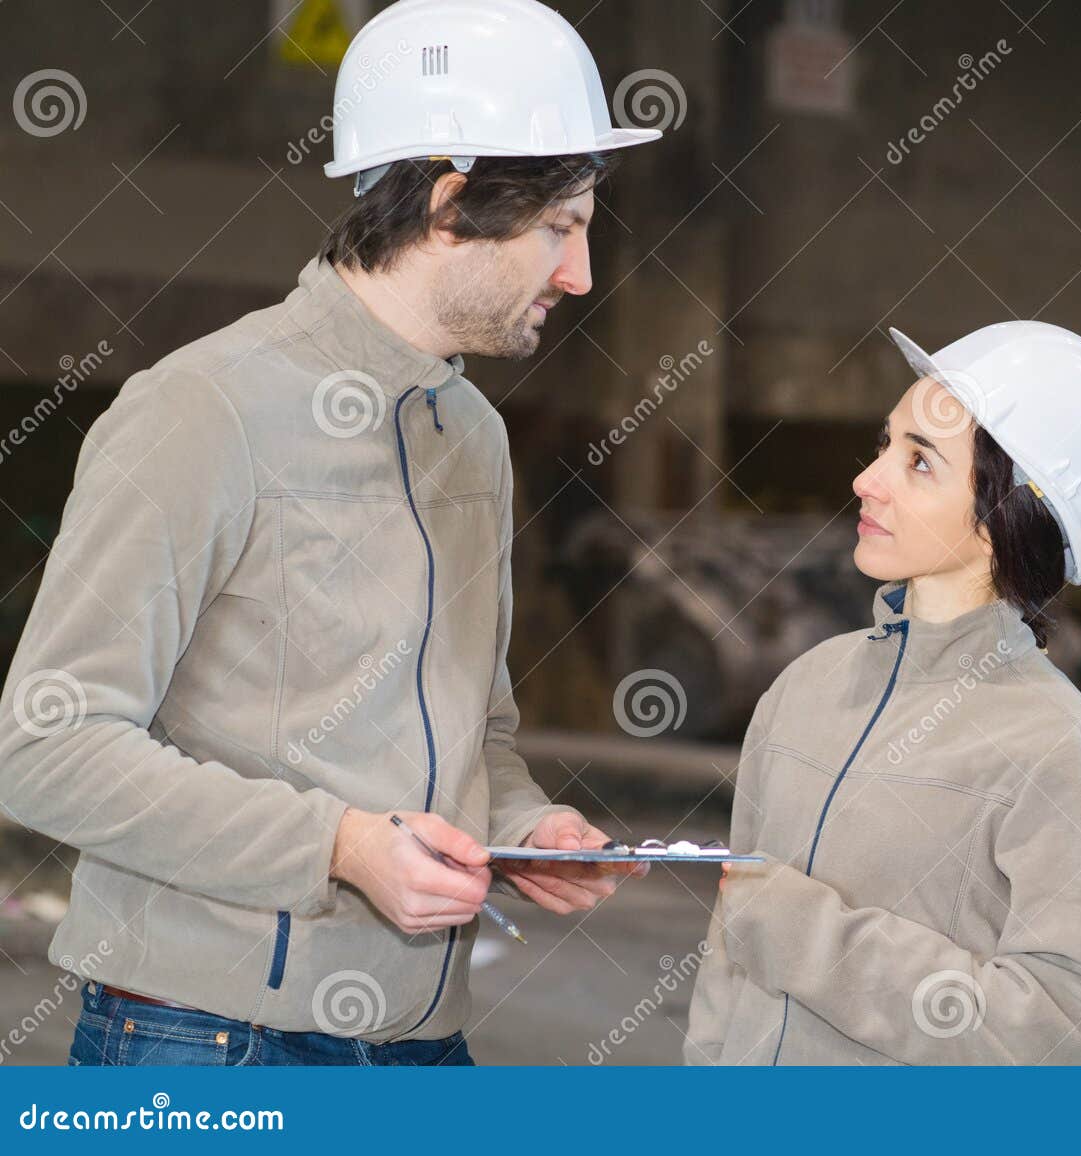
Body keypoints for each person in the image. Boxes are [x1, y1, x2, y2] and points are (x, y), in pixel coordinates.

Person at [0, 0, 660, 1066]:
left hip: (420, 1039)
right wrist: (341, 847)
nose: (580, 273)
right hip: (204, 1039)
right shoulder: (204, 411)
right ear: (451, 205)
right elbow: (44, 747)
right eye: (561, 226)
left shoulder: (471, 436)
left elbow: (476, 727)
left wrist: (525, 821)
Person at [684, 321, 1081, 1065]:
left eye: (920, 462)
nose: (867, 481)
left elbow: (1059, 1036)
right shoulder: (805, 688)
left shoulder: (1059, 754)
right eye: (884, 445)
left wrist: (809, 936)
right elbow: (729, 955)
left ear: (1006, 517)